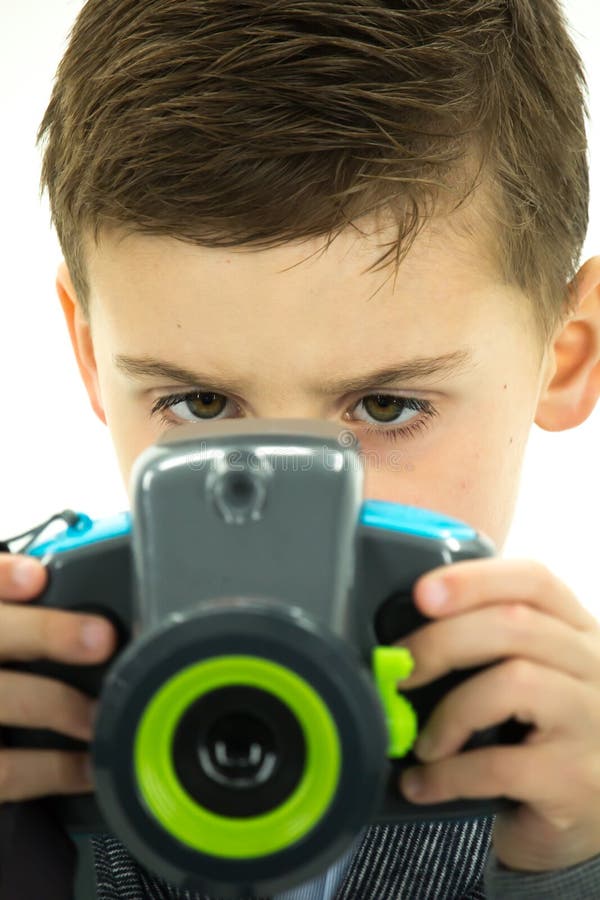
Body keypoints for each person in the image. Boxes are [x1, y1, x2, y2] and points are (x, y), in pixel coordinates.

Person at [1, 0, 600, 897]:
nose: (288, 501)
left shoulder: (574, 780)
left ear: (566, 357)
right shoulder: (29, 722)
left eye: (387, 406)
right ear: (91, 355)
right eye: (202, 404)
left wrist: (574, 864)